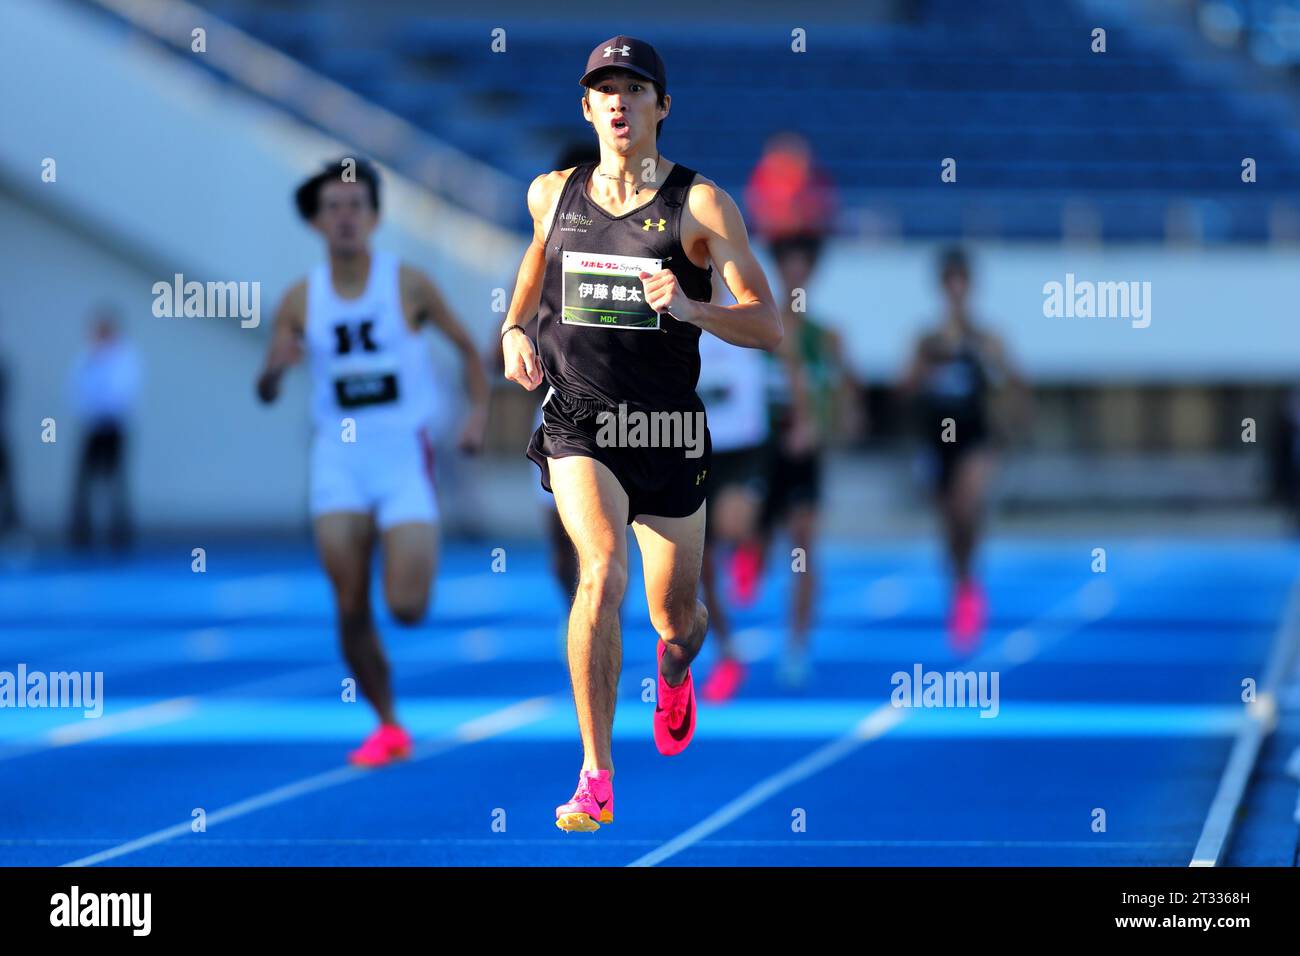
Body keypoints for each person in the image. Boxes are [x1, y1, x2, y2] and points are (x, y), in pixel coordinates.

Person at [499, 36, 781, 832]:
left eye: (635, 87)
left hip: (665, 431)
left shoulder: (701, 205)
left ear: (662, 104)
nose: (619, 100)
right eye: (604, 88)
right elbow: (529, 277)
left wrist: (692, 309)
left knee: (674, 618)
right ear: (587, 107)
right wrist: (515, 332)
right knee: (600, 571)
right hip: (580, 421)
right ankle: (595, 773)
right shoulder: (551, 195)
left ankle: (679, 665)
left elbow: (767, 324)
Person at [256, 158, 489, 766]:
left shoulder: (407, 283)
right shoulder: (301, 299)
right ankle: (387, 722)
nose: (345, 217)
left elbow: (469, 350)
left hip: (401, 457)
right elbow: (265, 389)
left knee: (407, 609)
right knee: (350, 601)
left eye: (356, 206)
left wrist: (476, 417)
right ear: (316, 222)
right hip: (338, 459)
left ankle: (404, 558)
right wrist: (274, 368)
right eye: (333, 207)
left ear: (376, 217)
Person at [899, 246, 1027, 652]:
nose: (955, 291)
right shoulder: (927, 341)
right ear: (942, 288)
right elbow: (903, 391)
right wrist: (925, 372)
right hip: (937, 442)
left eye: (962, 282)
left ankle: (970, 582)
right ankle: (961, 585)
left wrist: (1006, 411)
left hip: (974, 438)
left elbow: (1016, 384)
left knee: (967, 504)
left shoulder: (986, 338)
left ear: (969, 287)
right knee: (950, 523)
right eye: (949, 283)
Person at [746, 238, 860, 688]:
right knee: (750, 537)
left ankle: (796, 645)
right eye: (787, 269)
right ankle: (749, 558)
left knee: (803, 545)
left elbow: (844, 396)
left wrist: (829, 422)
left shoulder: (826, 338)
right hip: (756, 455)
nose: (795, 278)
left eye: (802, 270)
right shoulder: (758, 330)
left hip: (802, 457)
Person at [696, 271, 771, 703]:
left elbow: (775, 343)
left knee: (733, 526)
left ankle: (751, 547)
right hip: (694, 446)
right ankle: (726, 654)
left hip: (742, 446)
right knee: (700, 570)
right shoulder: (673, 312)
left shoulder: (741, 310)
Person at [68, 308, 140, 550]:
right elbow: (76, 390)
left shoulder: (124, 357)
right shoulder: (87, 357)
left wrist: (103, 406)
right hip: (92, 426)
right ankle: (81, 534)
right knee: (84, 481)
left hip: (114, 427)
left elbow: (122, 393)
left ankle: (119, 535)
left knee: (115, 482)